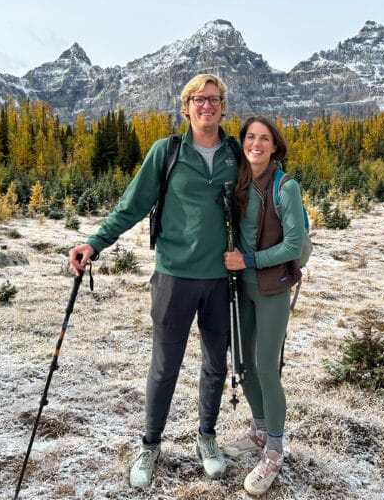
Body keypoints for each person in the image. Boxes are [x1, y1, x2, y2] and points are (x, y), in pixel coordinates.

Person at [69, 73, 241, 489]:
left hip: (222, 280)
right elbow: (132, 206)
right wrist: (94, 243)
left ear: (223, 107)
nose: (207, 106)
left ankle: (207, 438)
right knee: (164, 367)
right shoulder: (166, 152)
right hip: (173, 277)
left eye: (214, 99)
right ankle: (150, 444)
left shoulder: (236, 153)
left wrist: (289, 250)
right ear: (186, 107)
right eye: (199, 99)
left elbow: (266, 199)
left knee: (216, 365)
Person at [222, 116, 305, 496]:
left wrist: (249, 261)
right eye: (250, 137)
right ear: (243, 143)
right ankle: (258, 428)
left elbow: (292, 245)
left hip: (272, 288)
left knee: (266, 368)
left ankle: (274, 449)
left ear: (275, 146)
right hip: (241, 287)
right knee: (242, 364)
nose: (256, 144)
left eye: (264, 138)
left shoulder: (285, 187)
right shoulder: (239, 179)